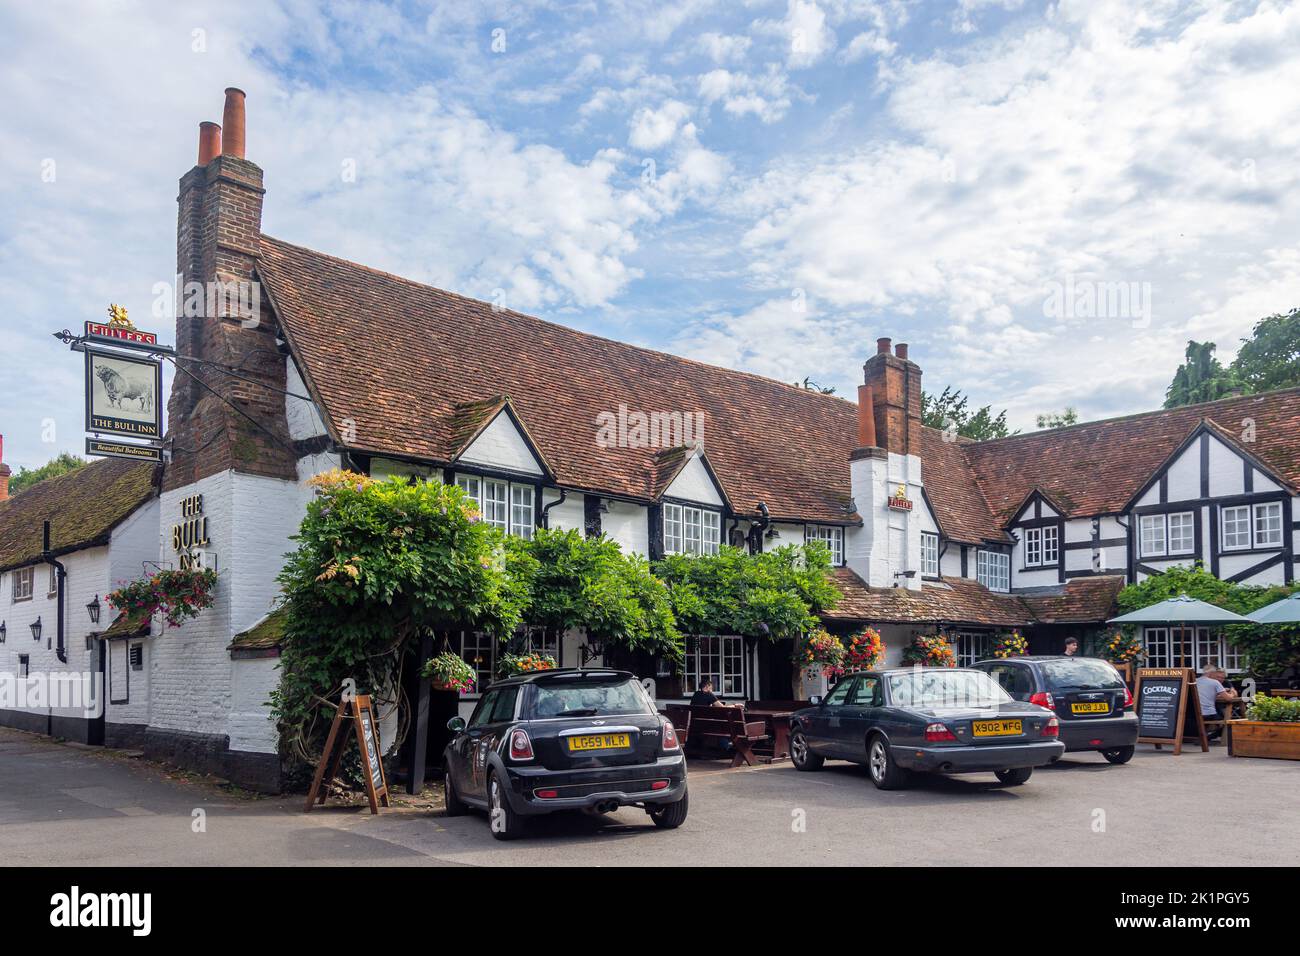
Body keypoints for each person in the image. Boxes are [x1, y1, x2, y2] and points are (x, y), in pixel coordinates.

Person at [1196, 662, 1238, 742]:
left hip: (1195, 713)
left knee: (1221, 714)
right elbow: (1228, 698)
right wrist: (1230, 693)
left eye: (1222, 677)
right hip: (1209, 712)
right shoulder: (1215, 683)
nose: (1219, 678)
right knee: (1227, 721)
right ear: (1212, 673)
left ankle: (1206, 737)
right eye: (1216, 675)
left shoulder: (1195, 681)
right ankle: (1210, 737)